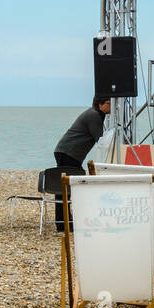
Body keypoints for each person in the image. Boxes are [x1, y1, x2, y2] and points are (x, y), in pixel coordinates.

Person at [53, 96, 110, 231]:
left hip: (67, 151)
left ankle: (65, 221)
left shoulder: (96, 114)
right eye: (109, 103)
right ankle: (63, 224)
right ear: (100, 104)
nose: (111, 106)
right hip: (68, 152)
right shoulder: (94, 115)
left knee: (67, 188)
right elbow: (100, 140)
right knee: (65, 188)